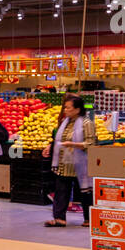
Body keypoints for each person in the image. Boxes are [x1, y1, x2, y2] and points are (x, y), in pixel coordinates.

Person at [44, 94, 95, 227]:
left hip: (81, 164)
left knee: (85, 192)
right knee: (61, 191)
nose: (65, 110)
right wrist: (50, 146)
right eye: (65, 108)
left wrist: (73, 144)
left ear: (77, 109)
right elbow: (59, 140)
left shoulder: (86, 123)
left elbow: (90, 143)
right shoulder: (65, 122)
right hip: (65, 163)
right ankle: (59, 218)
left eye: (68, 108)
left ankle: (89, 219)